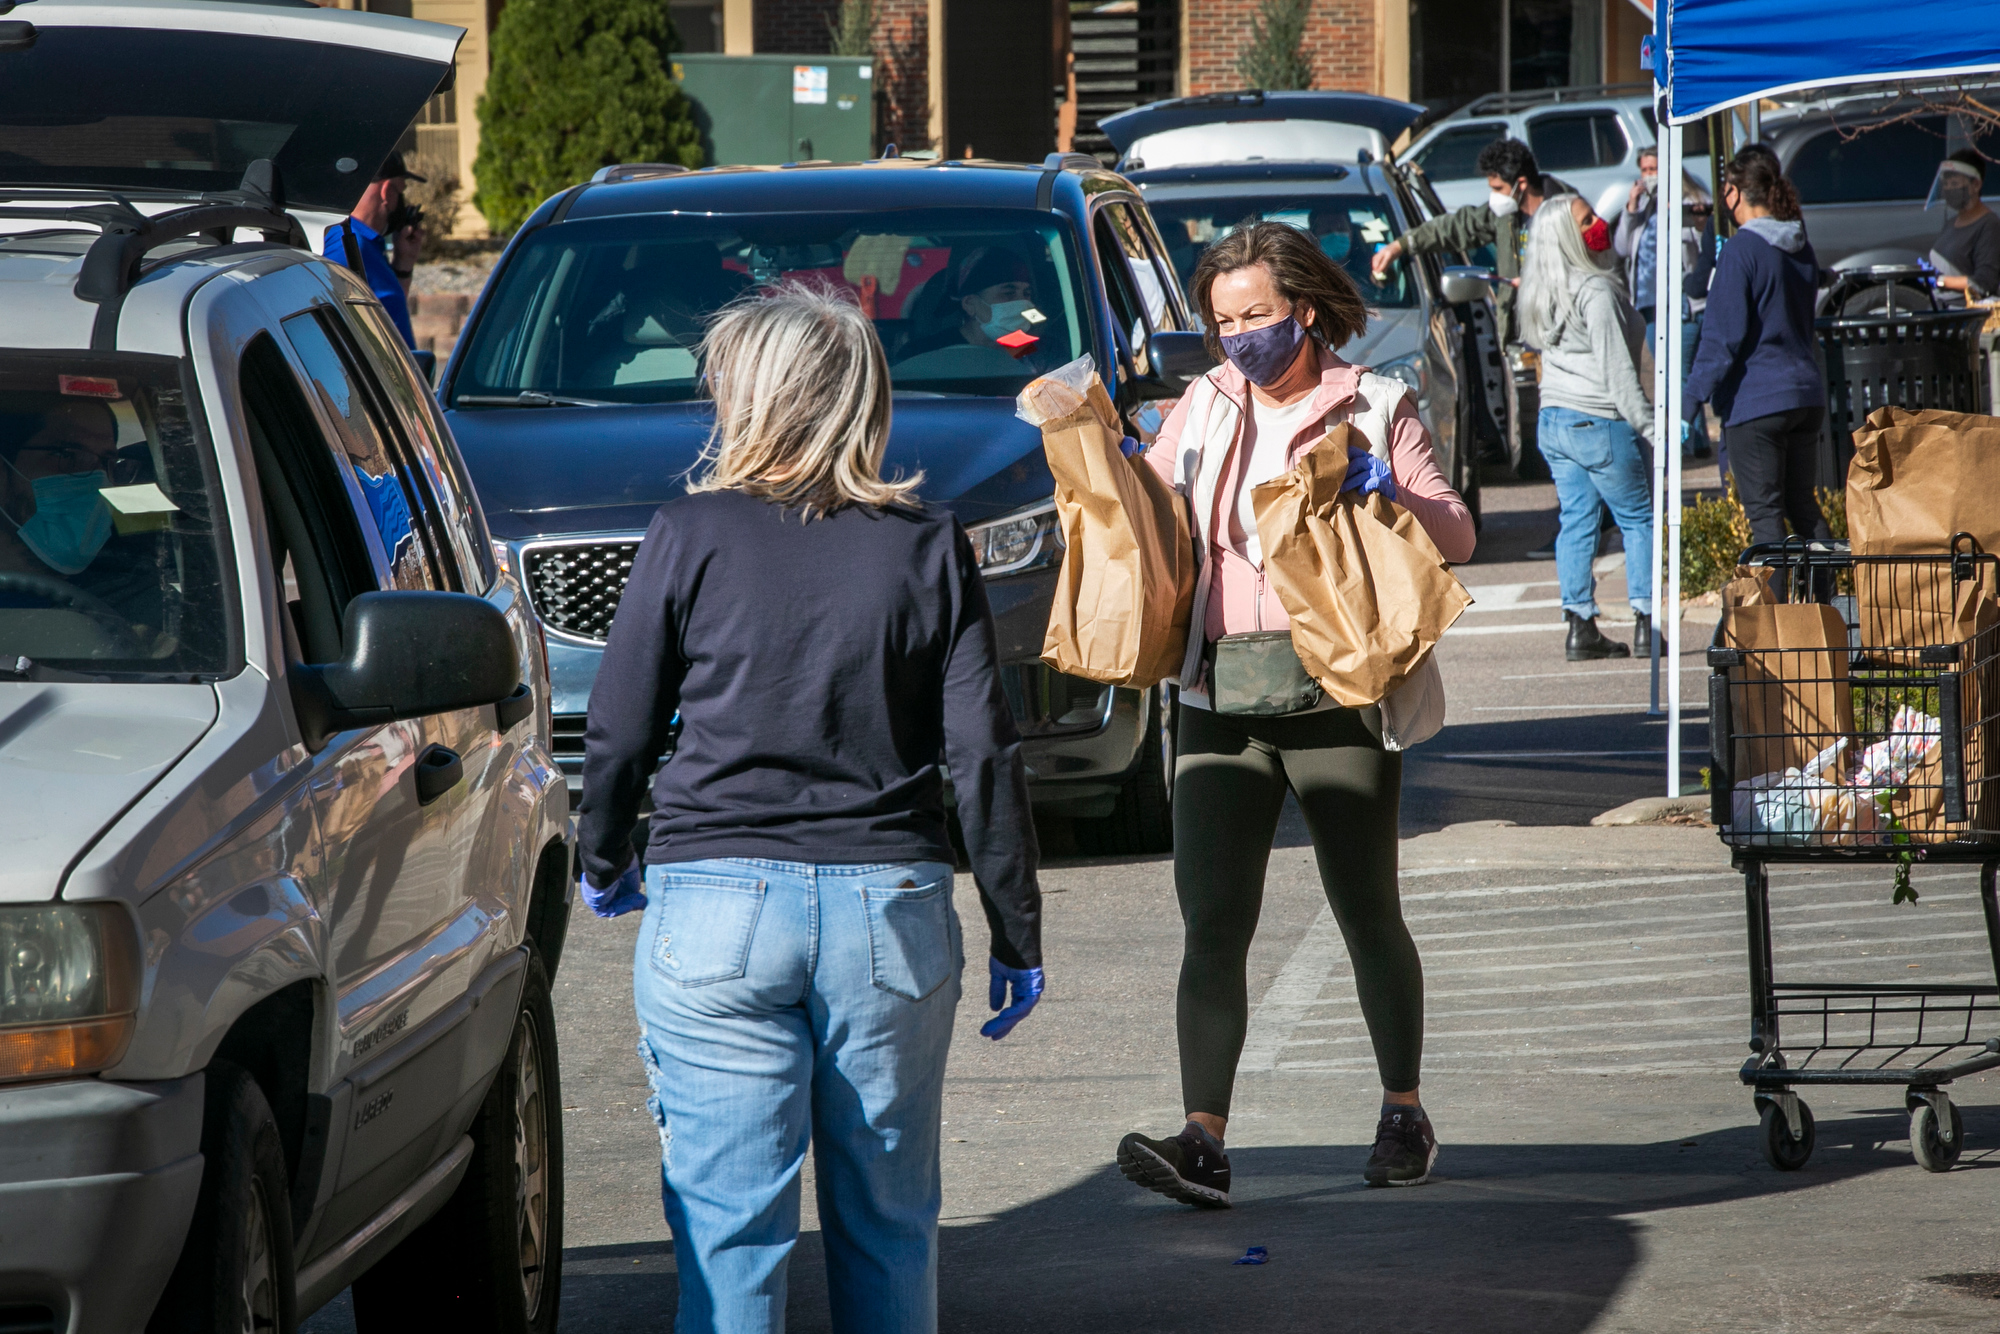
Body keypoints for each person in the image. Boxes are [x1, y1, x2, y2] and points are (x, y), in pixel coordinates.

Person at [576, 284, 1043, 1334]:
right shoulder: (926, 543)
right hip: (889, 909)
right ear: (860, 398)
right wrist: (1016, 929)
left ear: (750, 399)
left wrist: (603, 859)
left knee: (729, 1234)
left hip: (715, 909)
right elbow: (978, 752)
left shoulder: (686, 532)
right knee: (887, 1226)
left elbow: (618, 729)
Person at [1117, 222, 1475, 1207]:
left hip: (1336, 687)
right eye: (1222, 320)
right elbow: (1151, 512)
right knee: (1212, 918)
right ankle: (1202, 1137)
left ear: (1301, 311)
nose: (1237, 336)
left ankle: (1402, 1107)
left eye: (1255, 317)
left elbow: (1458, 531)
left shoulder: (1376, 401)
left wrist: (1386, 485)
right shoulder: (1203, 403)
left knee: (1364, 905)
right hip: (1218, 691)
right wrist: (1112, 472)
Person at [1519, 195, 1657, 660]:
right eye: (1586, 220)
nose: (1598, 224)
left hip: (1554, 420)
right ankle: (1645, 622)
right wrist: (1651, 427)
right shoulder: (1595, 292)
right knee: (1637, 520)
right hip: (1598, 419)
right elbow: (1619, 372)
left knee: (1576, 522)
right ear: (1566, 235)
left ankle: (1580, 626)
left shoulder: (1542, 290)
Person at [1683, 149, 1828, 550]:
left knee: (1765, 519)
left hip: (1757, 400)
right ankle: (1825, 607)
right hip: (1805, 395)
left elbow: (1721, 339)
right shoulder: (1799, 243)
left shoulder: (1740, 250)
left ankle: (1775, 614)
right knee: (1803, 506)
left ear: (1735, 192)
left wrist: (1689, 401)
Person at [1370, 138, 1570, 349]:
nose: (1494, 196)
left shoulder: (1569, 213)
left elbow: (1588, 273)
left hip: (1562, 336)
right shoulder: (1504, 215)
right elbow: (1457, 227)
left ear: (1521, 184)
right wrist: (1400, 245)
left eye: (1499, 188)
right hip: (1522, 339)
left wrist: (1538, 282)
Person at [322, 151, 425, 348]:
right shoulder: (349, 246)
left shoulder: (367, 245)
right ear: (386, 191)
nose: (401, 203)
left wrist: (403, 264)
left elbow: (387, 311)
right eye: (400, 191)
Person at [896, 245, 1047, 367]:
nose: (1022, 302)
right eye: (1008, 292)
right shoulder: (921, 355)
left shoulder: (1038, 354)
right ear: (970, 304)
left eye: (1027, 293)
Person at [1929, 149, 2000, 303]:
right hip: (1941, 311)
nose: (1949, 189)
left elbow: (1985, 282)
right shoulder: (1950, 224)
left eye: (1954, 183)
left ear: (1976, 185)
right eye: (1946, 184)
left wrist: (1941, 281)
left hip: (1965, 316)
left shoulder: (1989, 225)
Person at [1614, 146, 1660, 346]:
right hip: (1647, 297)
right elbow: (1621, 248)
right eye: (1644, 170)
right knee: (1656, 355)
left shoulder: (1685, 199)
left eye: (1653, 169)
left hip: (1678, 297)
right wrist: (1631, 208)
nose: (1648, 175)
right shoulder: (1641, 206)